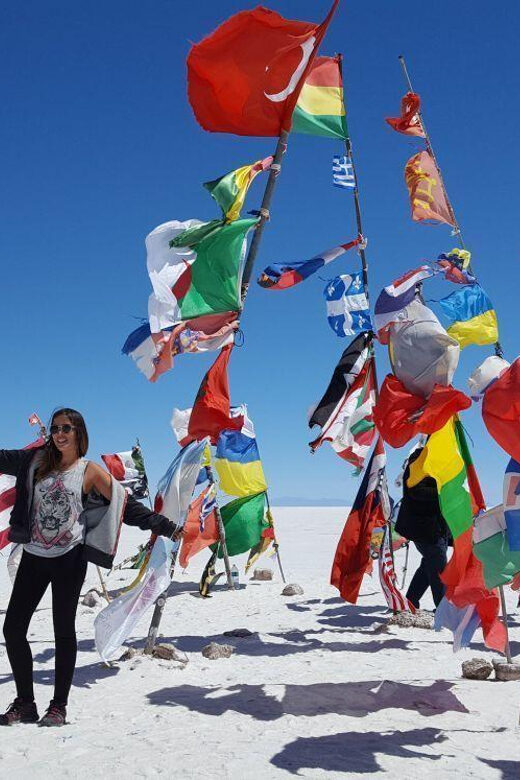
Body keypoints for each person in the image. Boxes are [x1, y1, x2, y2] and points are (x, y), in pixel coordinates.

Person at [0, 408, 181, 727]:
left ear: (78, 433)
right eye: (55, 428)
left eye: (66, 428)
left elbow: (126, 506)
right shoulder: (33, 462)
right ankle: (25, 703)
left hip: (69, 559)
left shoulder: (89, 472)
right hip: (33, 554)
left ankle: (58, 707)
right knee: (12, 628)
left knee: (62, 630)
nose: (59, 433)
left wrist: (164, 526)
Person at [395, 447, 451, 611]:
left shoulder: (439, 459)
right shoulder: (420, 458)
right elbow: (416, 491)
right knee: (439, 570)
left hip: (435, 528)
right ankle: (444, 611)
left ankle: (410, 602)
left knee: (429, 565)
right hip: (425, 529)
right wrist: (443, 493)